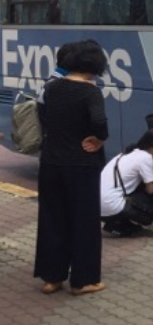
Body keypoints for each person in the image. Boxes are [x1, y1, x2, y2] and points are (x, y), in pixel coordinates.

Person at [33, 39, 109, 296]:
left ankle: (51, 278)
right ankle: (84, 280)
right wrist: (98, 139)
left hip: (51, 163)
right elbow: (99, 123)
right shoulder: (90, 91)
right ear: (96, 65)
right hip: (81, 165)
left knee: (52, 219)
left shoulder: (52, 88)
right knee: (84, 222)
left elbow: (43, 117)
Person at [101, 129, 153, 236]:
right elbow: (150, 190)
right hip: (111, 205)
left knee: (137, 189)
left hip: (98, 207)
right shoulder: (146, 157)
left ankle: (116, 224)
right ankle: (117, 223)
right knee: (148, 206)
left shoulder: (128, 153)